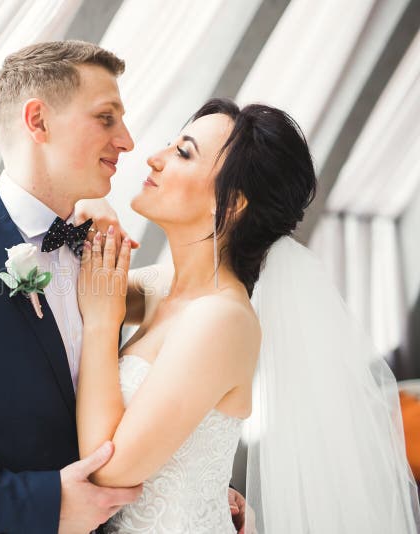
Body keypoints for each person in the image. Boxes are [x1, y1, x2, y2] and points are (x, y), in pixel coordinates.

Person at [0, 40, 252, 534]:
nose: (127, 141)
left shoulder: (101, 256)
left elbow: (133, 412)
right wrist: (41, 503)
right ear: (38, 122)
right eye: (105, 118)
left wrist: (197, 487)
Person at [75, 98, 420, 532]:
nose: (154, 158)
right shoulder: (161, 286)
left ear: (231, 204)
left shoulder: (223, 320)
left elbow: (106, 471)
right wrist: (86, 209)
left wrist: (103, 325)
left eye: (183, 153)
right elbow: (73, 291)